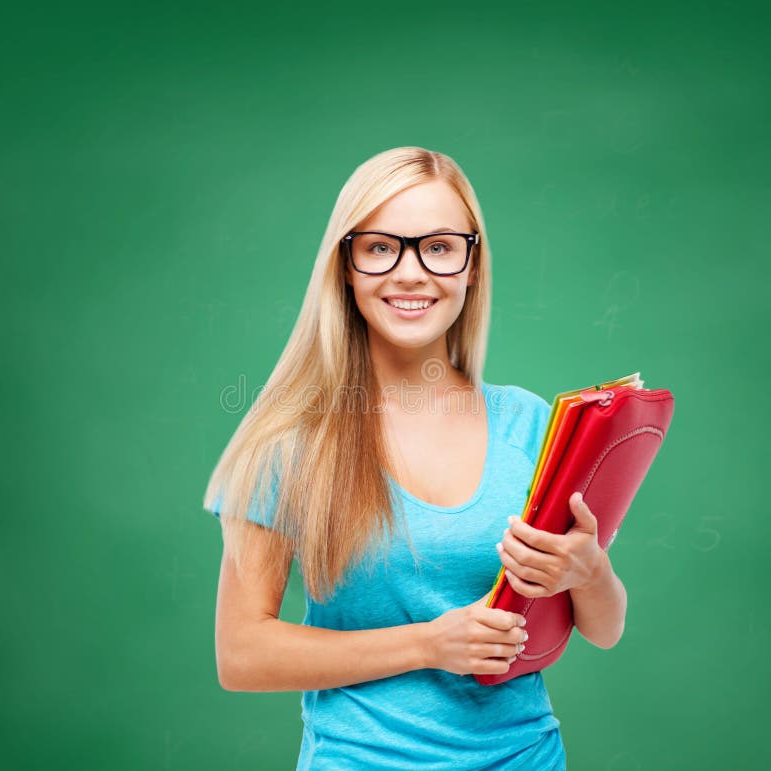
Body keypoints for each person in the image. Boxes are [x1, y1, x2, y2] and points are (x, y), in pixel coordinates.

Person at [203, 146, 627, 770]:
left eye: (439, 247)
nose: (410, 273)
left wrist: (589, 573)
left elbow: (604, 630)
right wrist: (430, 644)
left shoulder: (531, 423)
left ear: (471, 266)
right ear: (345, 266)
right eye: (380, 247)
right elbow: (242, 655)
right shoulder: (289, 441)